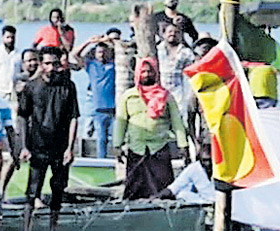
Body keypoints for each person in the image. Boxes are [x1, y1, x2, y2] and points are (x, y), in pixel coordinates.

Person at [17, 47, 79, 231]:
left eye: (55, 63)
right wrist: (24, 146)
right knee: (32, 192)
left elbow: (74, 118)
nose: (51, 67)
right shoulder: (31, 87)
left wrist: (70, 148)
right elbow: (22, 116)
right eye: (47, 63)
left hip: (60, 148)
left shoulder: (68, 86)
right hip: (38, 147)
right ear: (41, 64)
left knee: (58, 190)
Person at [113, 59, 187, 201]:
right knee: (134, 186)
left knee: (163, 185)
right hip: (137, 147)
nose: (147, 74)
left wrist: (182, 145)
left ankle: (164, 213)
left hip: (159, 147)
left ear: (156, 73)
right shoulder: (129, 96)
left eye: (150, 71)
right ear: (138, 74)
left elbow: (177, 122)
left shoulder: (166, 96)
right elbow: (121, 121)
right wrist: (117, 145)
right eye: (143, 71)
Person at [71, 35, 117, 158]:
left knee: (117, 139)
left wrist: (108, 41)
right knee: (101, 139)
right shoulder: (91, 65)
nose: (101, 55)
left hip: (114, 108)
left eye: (103, 52)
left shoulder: (114, 65)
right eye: (99, 52)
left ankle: (118, 161)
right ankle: (101, 161)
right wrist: (88, 41)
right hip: (98, 109)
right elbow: (75, 54)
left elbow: (121, 51)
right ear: (95, 54)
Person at [156, 23, 196, 105]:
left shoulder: (186, 52)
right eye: (170, 31)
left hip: (179, 91)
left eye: (176, 32)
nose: (173, 34)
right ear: (164, 34)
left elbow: (189, 75)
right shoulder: (157, 50)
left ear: (181, 35)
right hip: (160, 90)